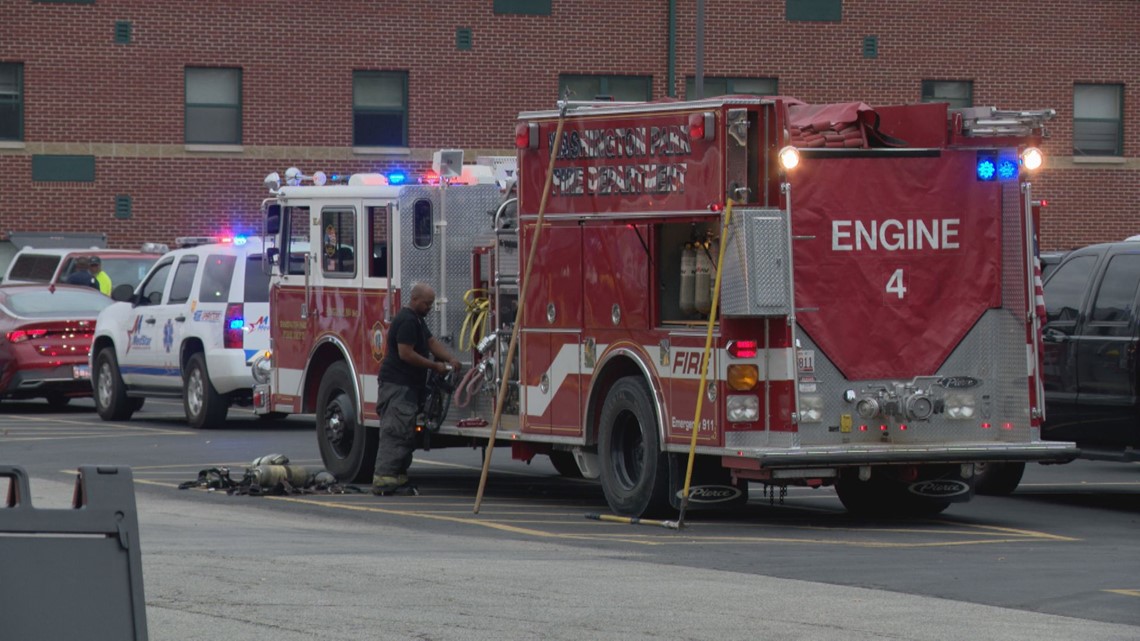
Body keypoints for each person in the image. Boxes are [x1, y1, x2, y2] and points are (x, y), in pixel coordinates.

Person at [373, 283, 461, 495]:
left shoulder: (417, 320)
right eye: (427, 303)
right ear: (415, 300)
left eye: (431, 303)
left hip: (408, 387)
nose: (430, 307)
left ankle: (398, 477)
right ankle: (384, 480)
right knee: (395, 431)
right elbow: (406, 353)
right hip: (397, 386)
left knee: (405, 432)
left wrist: (449, 358)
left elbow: (431, 342)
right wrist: (435, 366)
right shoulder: (406, 321)